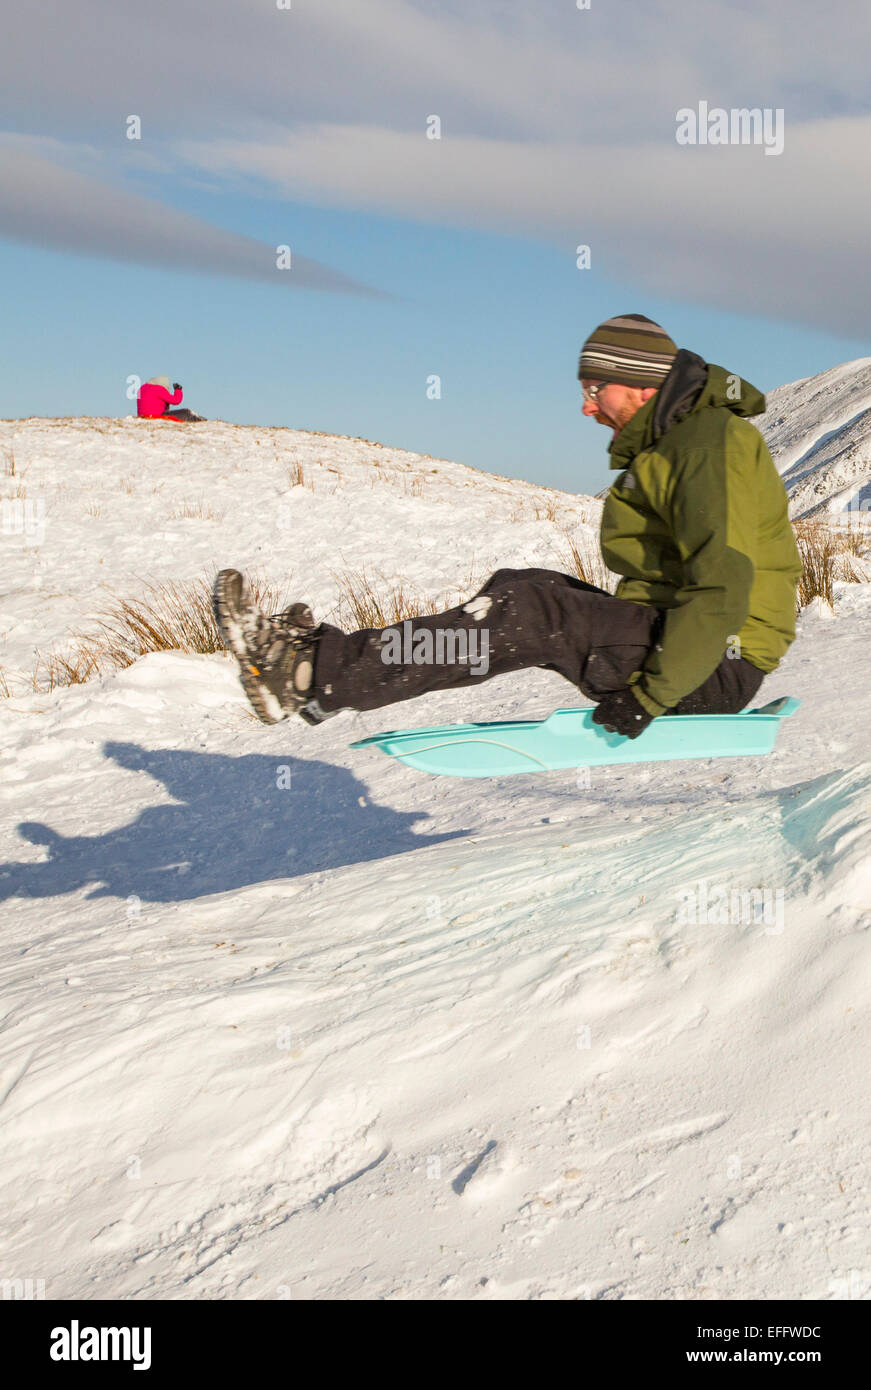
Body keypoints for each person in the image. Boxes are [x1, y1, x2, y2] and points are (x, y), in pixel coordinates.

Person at [213, 313, 801, 739]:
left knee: (534, 614)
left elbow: (720, 588)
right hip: (691, 650)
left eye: (596, 389)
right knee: (520, 586)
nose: (586, 406)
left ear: (642, 383)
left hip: (714, 669)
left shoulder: (704, 446)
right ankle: (325, 670)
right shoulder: (678, 440)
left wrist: (652, 695)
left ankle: (311, 674)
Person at [136, 376, 204, 422]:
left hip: (143, 416)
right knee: (186, 412)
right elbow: (176, 400)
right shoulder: (159, 389)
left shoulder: (142, 389)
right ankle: (200, 420)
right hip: (157, 416)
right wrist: (178, 390)